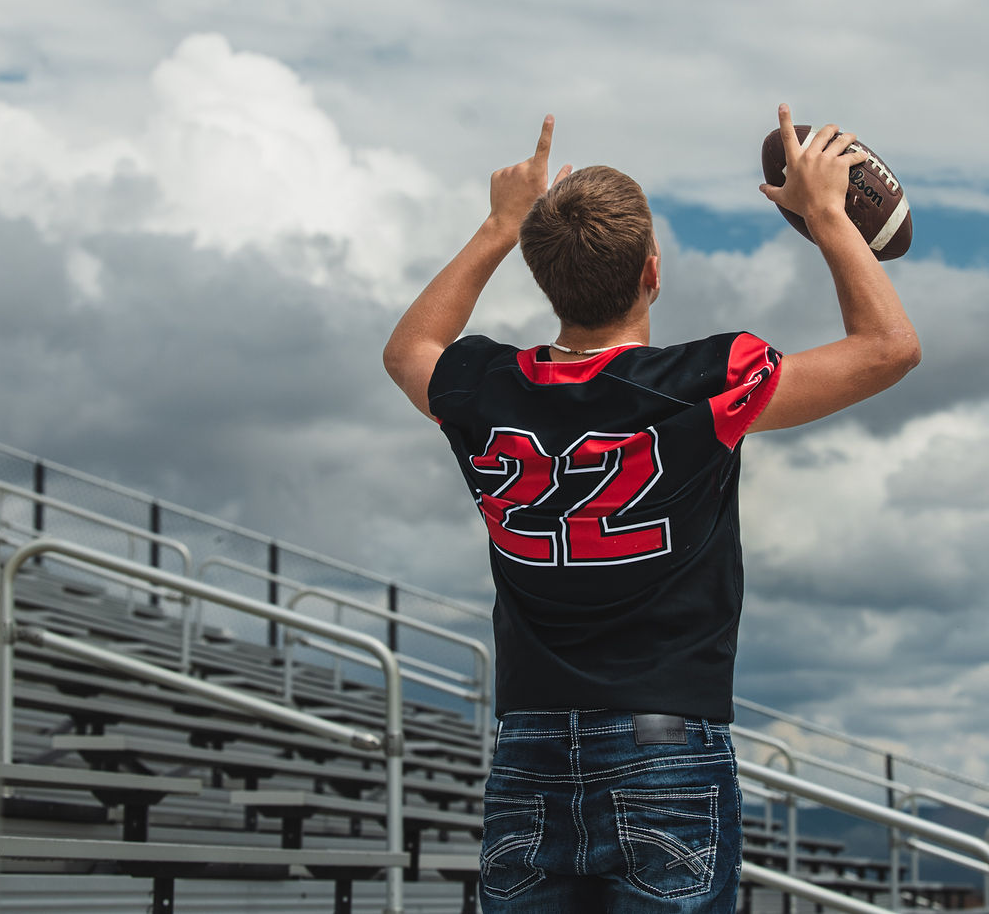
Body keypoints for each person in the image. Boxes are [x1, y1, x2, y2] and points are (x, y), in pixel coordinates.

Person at [383, 105, 919, 912]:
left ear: (540, 272)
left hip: (527, 745)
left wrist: (498, 224)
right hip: (665, 745)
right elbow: (889, 347)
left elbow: (407, 350)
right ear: (652, 271)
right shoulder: (709, 381)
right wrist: (828, 213)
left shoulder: (486, 388)